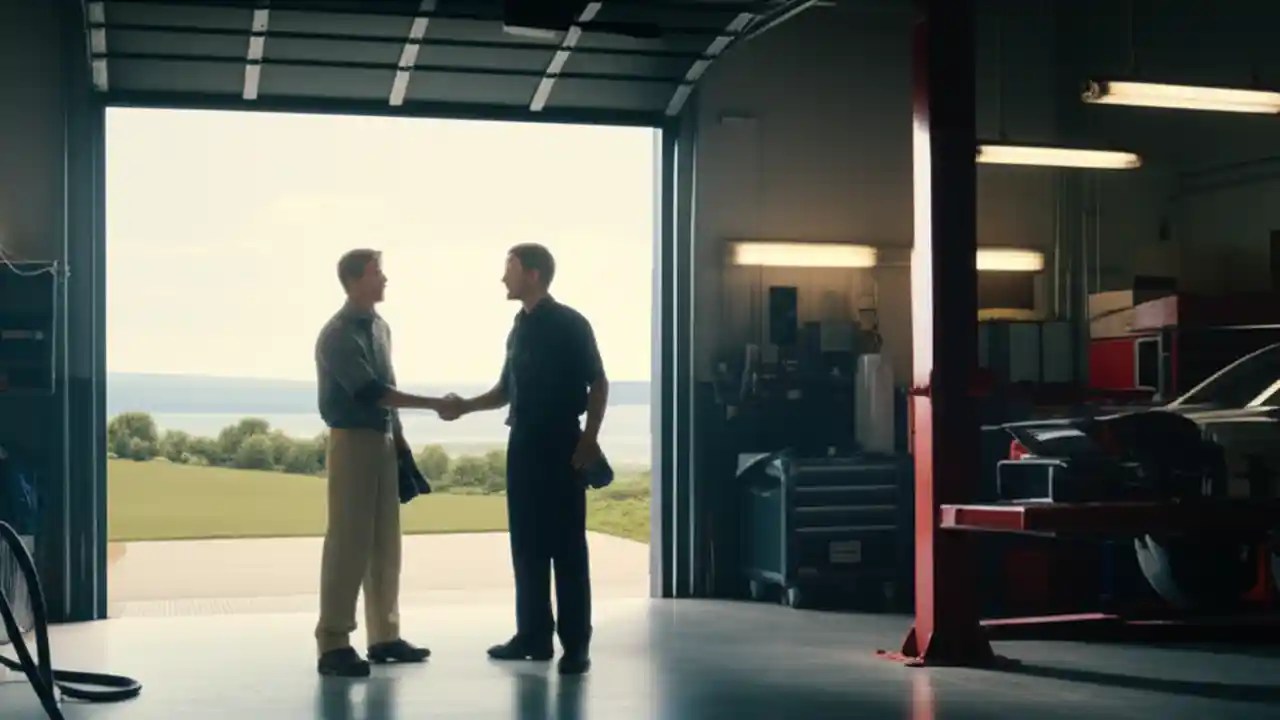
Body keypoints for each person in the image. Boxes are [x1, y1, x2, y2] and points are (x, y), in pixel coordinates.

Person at [440, 243, 608, 676]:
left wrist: (589, 439)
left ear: (532, 274)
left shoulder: (571, 323)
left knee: (568, 548)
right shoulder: (517, 327)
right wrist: (464, 407)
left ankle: (576, 645)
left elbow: (599, 381)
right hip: (525, 444)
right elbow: (503, 392)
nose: (503, 278)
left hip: (563, 444)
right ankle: (532, 636)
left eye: (509, 268)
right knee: (527, 545)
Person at [313, 248, 449, 678]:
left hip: (383, 441)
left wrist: (402, 446)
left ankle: (384, 637)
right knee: (347, 543)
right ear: (355, 280)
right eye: (378, 272)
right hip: (352, 441)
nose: (385, 279)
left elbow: (388, 392)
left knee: (385, 543)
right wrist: (434, 404)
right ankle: (333, 642)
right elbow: (372, 391)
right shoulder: (337, 335)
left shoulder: (380, 328)